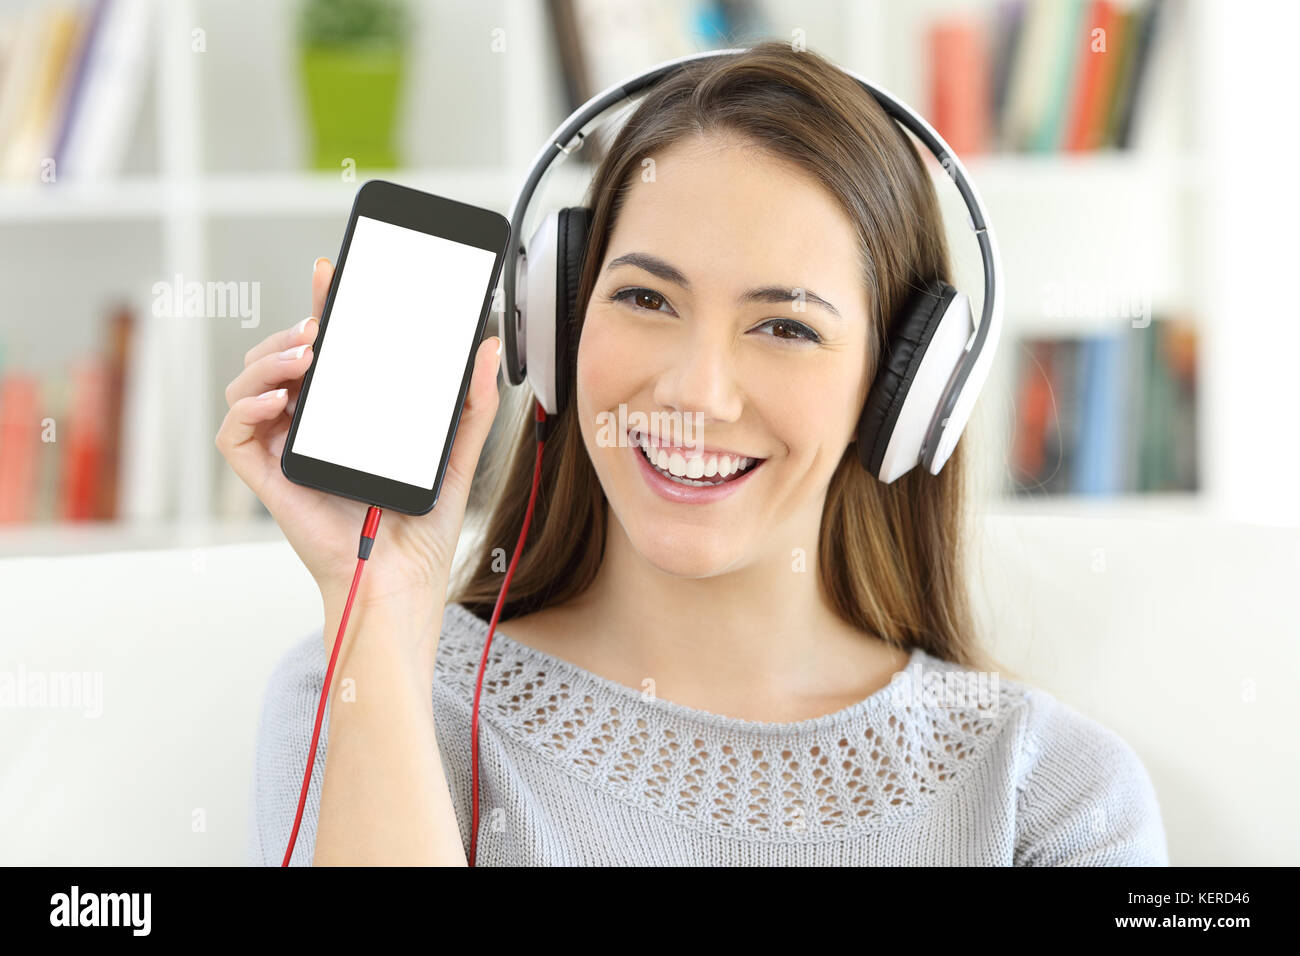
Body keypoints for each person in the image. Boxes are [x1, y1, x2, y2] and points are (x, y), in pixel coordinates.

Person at [218, 41, 1168, 866]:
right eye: (645, 299)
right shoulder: (358, 689)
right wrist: (379, 612)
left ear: (904, 395)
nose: (694, 393)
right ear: (558, 325)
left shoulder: (1052, 796)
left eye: (786, 327)